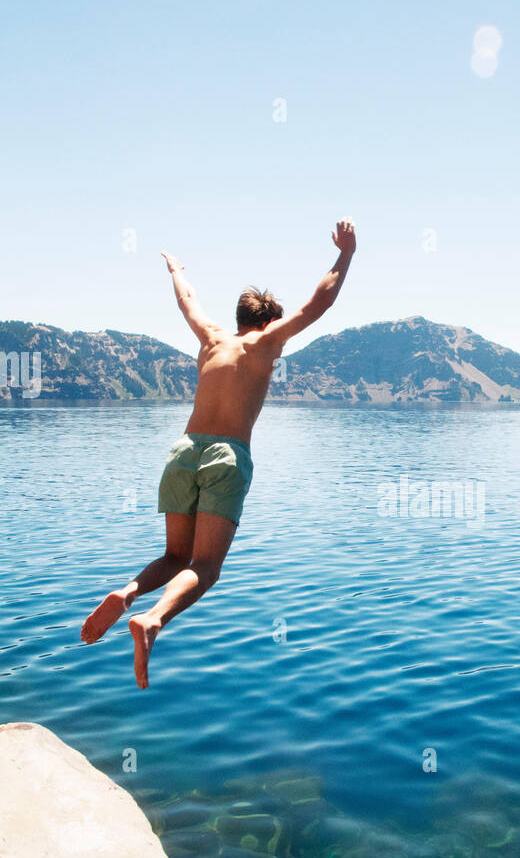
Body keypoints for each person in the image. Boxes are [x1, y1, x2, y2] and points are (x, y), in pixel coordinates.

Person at [81, 218, 356, 687]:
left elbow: (187, 300)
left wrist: (176, 269)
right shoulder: (268, 342)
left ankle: (128, 592)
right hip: (226, 455)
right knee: (204, 567)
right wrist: (346, 254)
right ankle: (152, 621)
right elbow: (320, 302)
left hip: (182, 451)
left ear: (238, 319)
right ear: (268, 322)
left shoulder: (210, 338)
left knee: (173, 556)